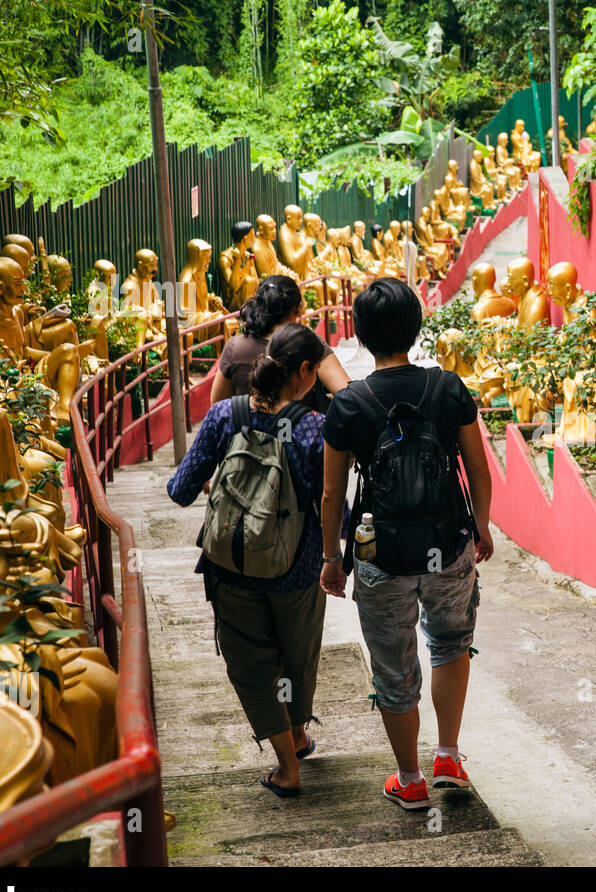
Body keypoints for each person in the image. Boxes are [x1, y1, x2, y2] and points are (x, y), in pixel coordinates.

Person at [320, 277, 494, 812]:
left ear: (360, 334)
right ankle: (448, 756)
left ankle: (410, 778)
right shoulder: (448, 388)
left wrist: (332, 558)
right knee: (449, 643)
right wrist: (482, 527)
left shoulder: (348, 403)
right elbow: (478, 470)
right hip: (449, 541)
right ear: (415, 328)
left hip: (380, 552)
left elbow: (332, 493)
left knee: (394, 664)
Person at [167, 323, 330, 799]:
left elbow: (179, 490)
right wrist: (335, 555)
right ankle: (297, 737)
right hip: (297, 570)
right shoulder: (313, 428)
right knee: (297, 656)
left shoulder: (223, 416)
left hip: (231, 568)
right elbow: (329, 503)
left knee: (253, 664)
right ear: (302, 372)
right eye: (316, 372)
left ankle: (286, 764)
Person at [210, 274, 350, 412]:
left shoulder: (235, 347)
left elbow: (217, 404)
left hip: (246, 432)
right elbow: (345, 393)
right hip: (297, 431)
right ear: (298, 309)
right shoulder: (309, 343)